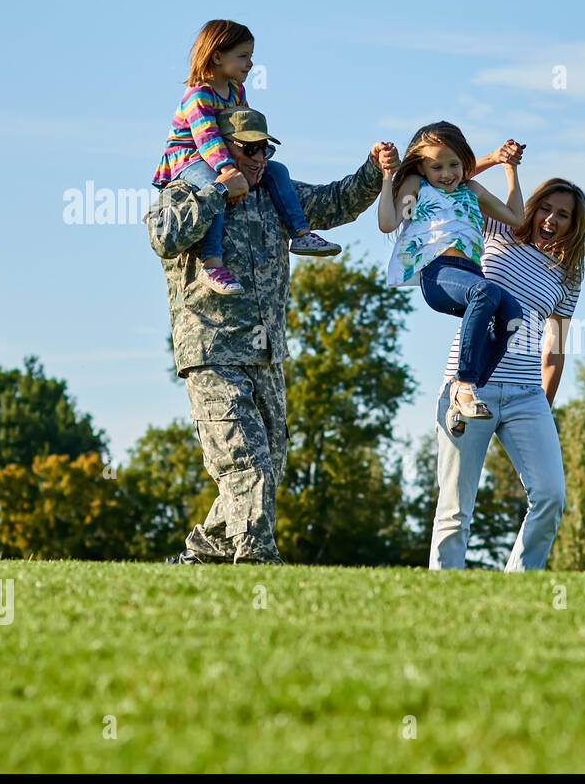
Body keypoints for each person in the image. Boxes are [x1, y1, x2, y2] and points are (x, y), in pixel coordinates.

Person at [145, 106, 399, 564]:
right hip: (211, 349)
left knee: (271, 464)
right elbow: (163, 235)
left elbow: (334, 201)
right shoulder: (188, 187)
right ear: (220, 147)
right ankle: (258, 561)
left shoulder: (274, 194)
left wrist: (372, 170)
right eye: (249, 148)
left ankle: (204, 554)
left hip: (265, 353)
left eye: (266, 147)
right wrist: (217, 193)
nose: (260, 157)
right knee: (246, 462)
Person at [428, 141, 585, 571]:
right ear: (534, 206)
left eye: (563, 215)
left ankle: (521, 584)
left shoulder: (567, 277)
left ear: (572, 226)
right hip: (470, 385)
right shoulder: (497, 230)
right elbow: (454, 181)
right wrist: (500, 162)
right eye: (546, 208)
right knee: (455, 505)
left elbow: (554, 349)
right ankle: (442, 594)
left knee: (551, 496)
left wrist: (544, 403)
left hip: (527, 396)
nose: (550, 219)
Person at [153, 19, 342, 296]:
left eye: (251, 57)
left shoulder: (237, 91)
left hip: (219, 157)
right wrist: (229, 172)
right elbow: (207, 138)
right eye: (243, 56)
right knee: (214, 187)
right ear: (217, 56)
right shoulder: (198, 95)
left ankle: (300, 234)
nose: (250, 64)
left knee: (278, 171)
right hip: (188, 158)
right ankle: (213, 262)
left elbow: (244, 129)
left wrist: (255, 157)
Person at [377, 122, 525, 433]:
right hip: (438, 274)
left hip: (472, 277)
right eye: (437, 167)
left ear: (465, 164)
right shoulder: (419, 187)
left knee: (513, 313)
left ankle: (464, 392)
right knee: (486, 293)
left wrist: (509, 168)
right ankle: (466, 383)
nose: (446, 174)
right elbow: (388, 224)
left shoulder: (470, 190)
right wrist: (388, 177)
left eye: (454, 165)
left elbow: (516, 218)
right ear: (422, 167)